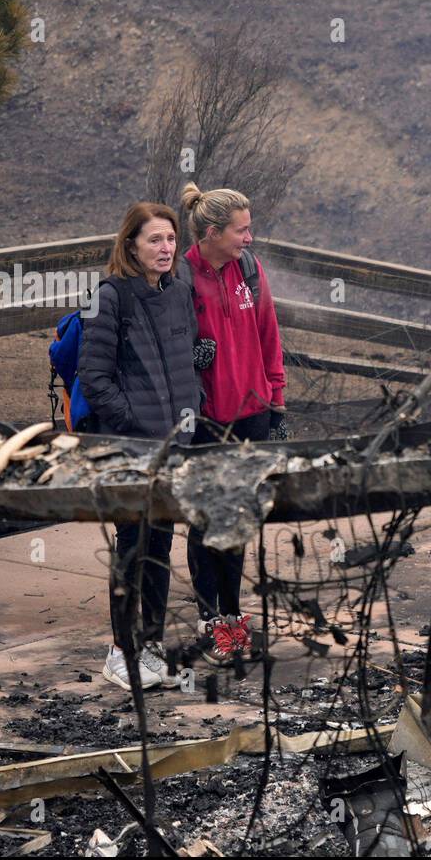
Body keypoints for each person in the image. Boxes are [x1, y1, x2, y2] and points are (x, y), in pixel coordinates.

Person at [79, 202, 202, 690]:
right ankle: (120, 652)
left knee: (159, 547)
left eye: (170, 239)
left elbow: (187, 363)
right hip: (132, 448)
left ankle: (150, 647)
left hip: (175, 446)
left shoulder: (178, 294)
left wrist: (195, 406)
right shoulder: (108, 296)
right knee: (132, 547)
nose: (165, 248)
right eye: (154, 240)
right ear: (131, 244)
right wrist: (131, 423)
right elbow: (94, 375)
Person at [179, 182, 286, 665]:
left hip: (252, 414)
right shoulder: (180, 277)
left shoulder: (249, 269)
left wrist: (277, 404)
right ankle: (210, 619)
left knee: (238, 517)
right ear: (211, 232)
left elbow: (269, 334)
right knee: (205, 518)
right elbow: (157, 348)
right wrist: (188, 357)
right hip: (203, 419)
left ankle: (233, 612)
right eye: (241, 230)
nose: (249, 238)